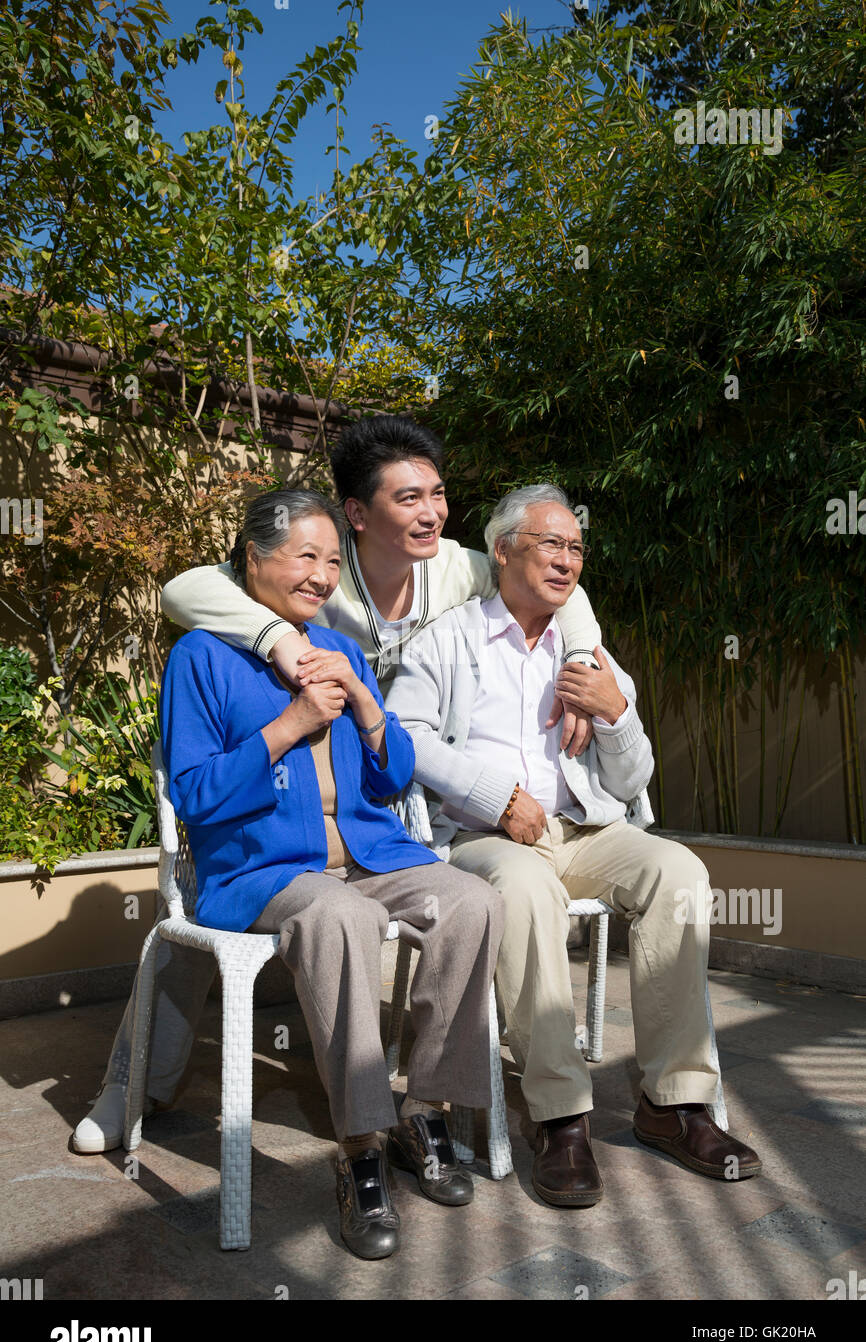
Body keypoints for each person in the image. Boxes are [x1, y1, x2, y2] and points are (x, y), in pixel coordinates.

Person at [73, 490, 504, 1260]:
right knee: (339, 916)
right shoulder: (201, 656)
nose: (321, 574)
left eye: (333, 560)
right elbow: (197, 797)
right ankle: (363, 1148)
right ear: (253, 559)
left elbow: (391, 781)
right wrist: (290, 726)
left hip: (370, 857)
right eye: (304, 555)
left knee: (471, 901)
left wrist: (369, 714)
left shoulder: (337, 647)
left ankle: (425, 1109)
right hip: (265, 870)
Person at [386, 484, 762, 1208]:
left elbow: (634, 776)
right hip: (482, 836)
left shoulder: (586, 650)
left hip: (585, 829)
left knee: (678, 871)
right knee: (522, 890)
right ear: (503, 551)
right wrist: (497, 797)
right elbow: (404, 737)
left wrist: (615, 713)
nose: (567, 560)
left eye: (576, 548)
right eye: (549, 544)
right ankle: (559, 1118)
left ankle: (674, 1105)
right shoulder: (450, 638)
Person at [160, 414, 601, 748]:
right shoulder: (319, 572)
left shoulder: (462, 568)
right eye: (409, 498)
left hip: (416, 757)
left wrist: (580, 660)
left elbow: (561, 591)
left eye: (438, 494)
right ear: (357, 513)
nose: (432, 514)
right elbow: (182, 590)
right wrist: (280, 639)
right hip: (326, 754)